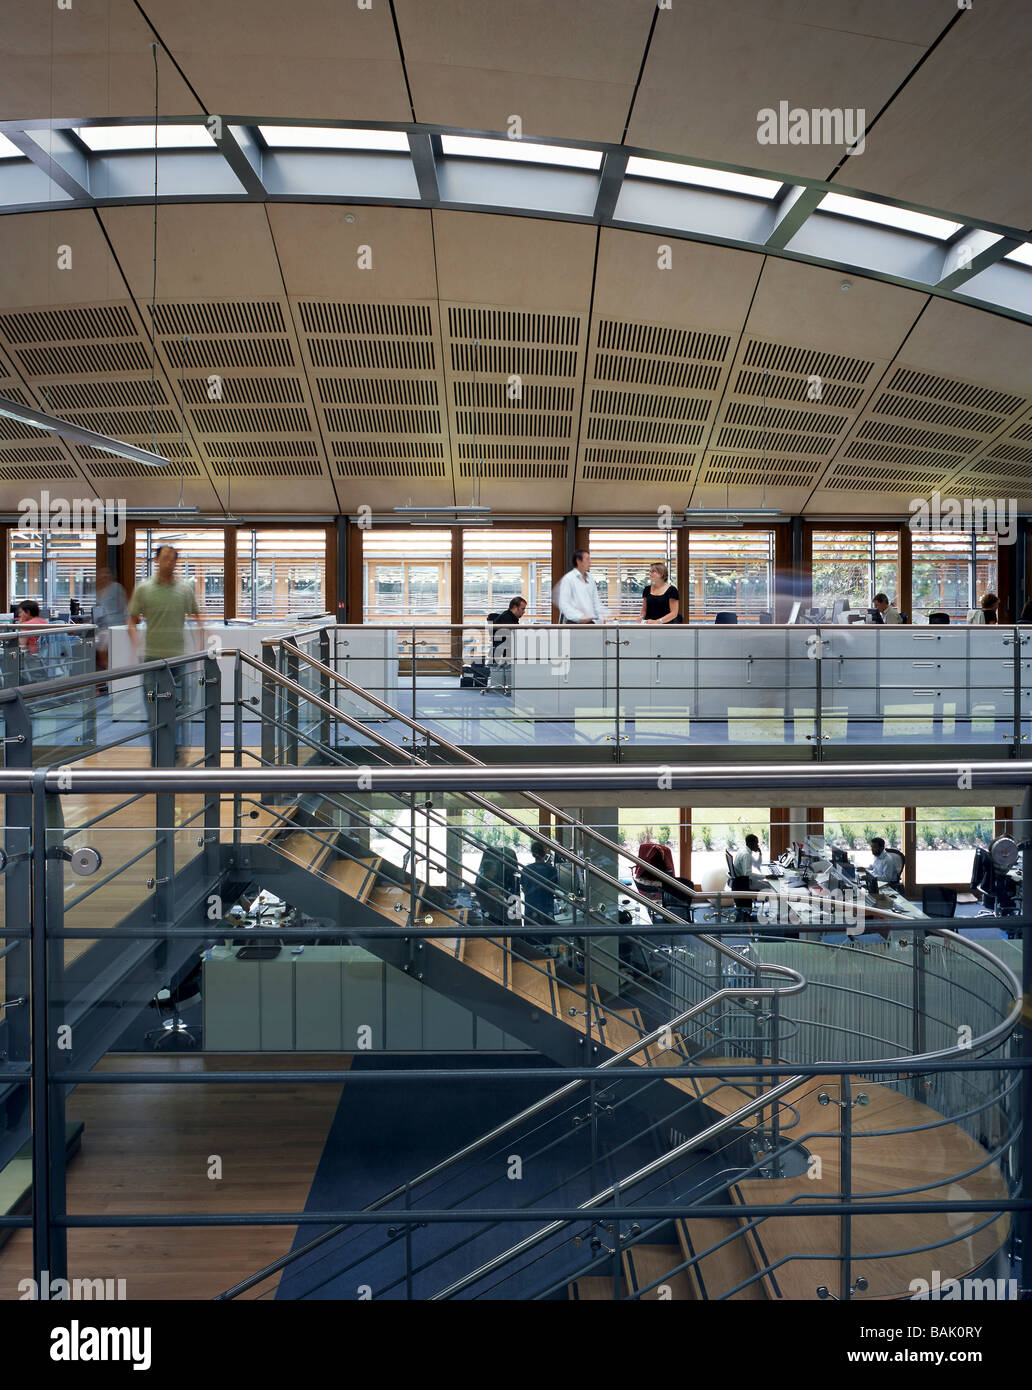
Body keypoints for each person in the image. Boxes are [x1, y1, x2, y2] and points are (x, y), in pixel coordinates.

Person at [128, 546, 205, 766]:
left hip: (178, 660)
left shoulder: (184, 589)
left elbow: (198, 618)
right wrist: (136, 647)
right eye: (165, 558)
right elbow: (131, 621)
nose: (169, 563)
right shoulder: (144, 589)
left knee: (179, 710)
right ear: (156, 560)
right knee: (155, 713)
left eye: (173, 559)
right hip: (152, 660)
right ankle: (159, 757)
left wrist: (199, 652)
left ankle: (174, 756)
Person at [521, 840, 561, 952]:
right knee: (547, 944)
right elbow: (553, 888)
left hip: (530, 911)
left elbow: (524, 888)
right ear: (544, 853)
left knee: (532, 946)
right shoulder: (551, 870)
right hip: (546, 910)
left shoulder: (526, 869)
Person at [554, 551, 609, 624]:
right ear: (578, 561)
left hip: (589, 622)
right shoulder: (569, 578)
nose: (590, 562)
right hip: (574, 623)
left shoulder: (591, 578)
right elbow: (564, 604)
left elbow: (595, 600)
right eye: (587, 559)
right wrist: (579, 618)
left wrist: (605, 614)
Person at [94, 565, 129, 675]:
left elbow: (124, 607)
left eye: (106, 574)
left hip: (115, 626)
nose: (103, 576)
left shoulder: (116, 588)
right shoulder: (100, 592)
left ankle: (110, 675)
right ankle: (107, 675)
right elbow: (100, 610)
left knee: (106, 651)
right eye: (101, 574)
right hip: (103, 627)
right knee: (98, 651)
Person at [490, 595, 527, 663]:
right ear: (515, 607)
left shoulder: (509, 617)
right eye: (522, 609)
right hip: (504, 658)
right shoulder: (507, 620)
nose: (524, 612)